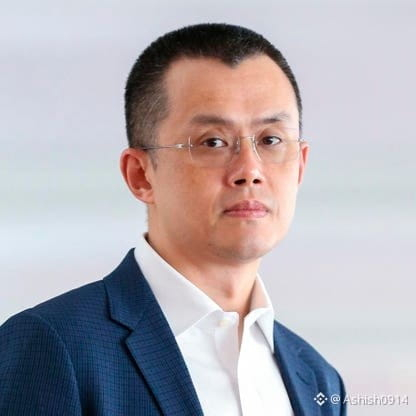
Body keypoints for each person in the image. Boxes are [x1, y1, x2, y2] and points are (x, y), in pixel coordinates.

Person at [0, 23, 346, 415]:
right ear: (141, 175)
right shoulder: (54, 346)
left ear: (300, 166)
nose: (250, 170)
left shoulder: (317, 378)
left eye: (270, 140)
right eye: (213, 142)